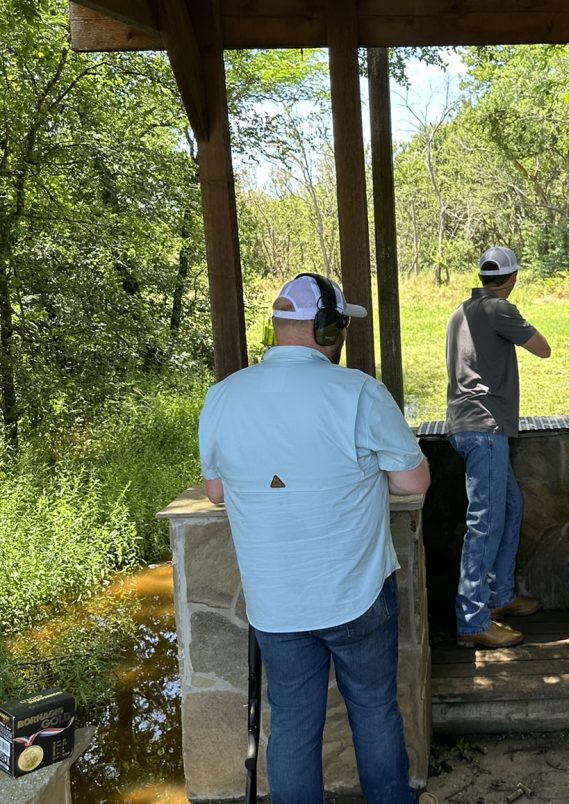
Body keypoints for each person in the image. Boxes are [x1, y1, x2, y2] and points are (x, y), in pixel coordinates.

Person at [198, 273, 434, 804]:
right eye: (342, 322)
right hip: (356, 594)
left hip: (274, 602)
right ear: (327, 327)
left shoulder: (223, 397)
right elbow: (413, 481)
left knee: (293, 723)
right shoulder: (360, 393)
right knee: (373, 710)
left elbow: (215, 491)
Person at [445, 246, 551, 649]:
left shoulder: (460, 312)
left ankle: (500, 598)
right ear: (512, 278)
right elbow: (543, 347)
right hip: (485, 429)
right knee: (485, 524)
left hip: (468, 427)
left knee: (510, 506)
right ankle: (472, 621)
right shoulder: (499, 310)